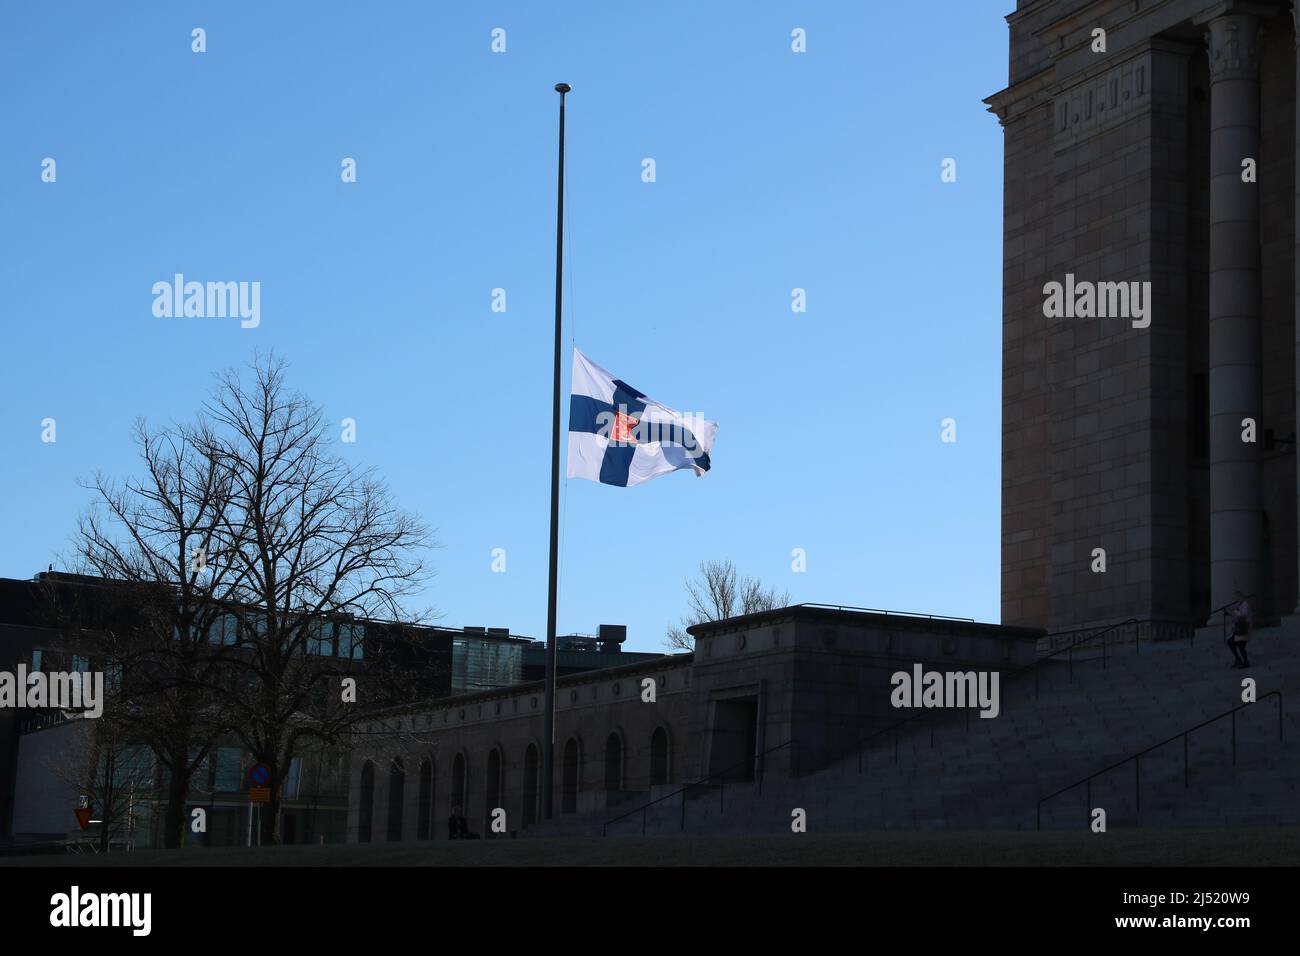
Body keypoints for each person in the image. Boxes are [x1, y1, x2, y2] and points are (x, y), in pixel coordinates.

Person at [1229, 596, 1252, 668]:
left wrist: (1235, 611)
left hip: (1243, 628)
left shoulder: (1245, 604)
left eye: (1238, 597)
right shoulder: (1240, 605)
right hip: (1239, 629)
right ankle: (1238, 660)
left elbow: (1243, 615)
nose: (1237, 599)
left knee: (1241, 646)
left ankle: (1245, 662)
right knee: (1230, 642)